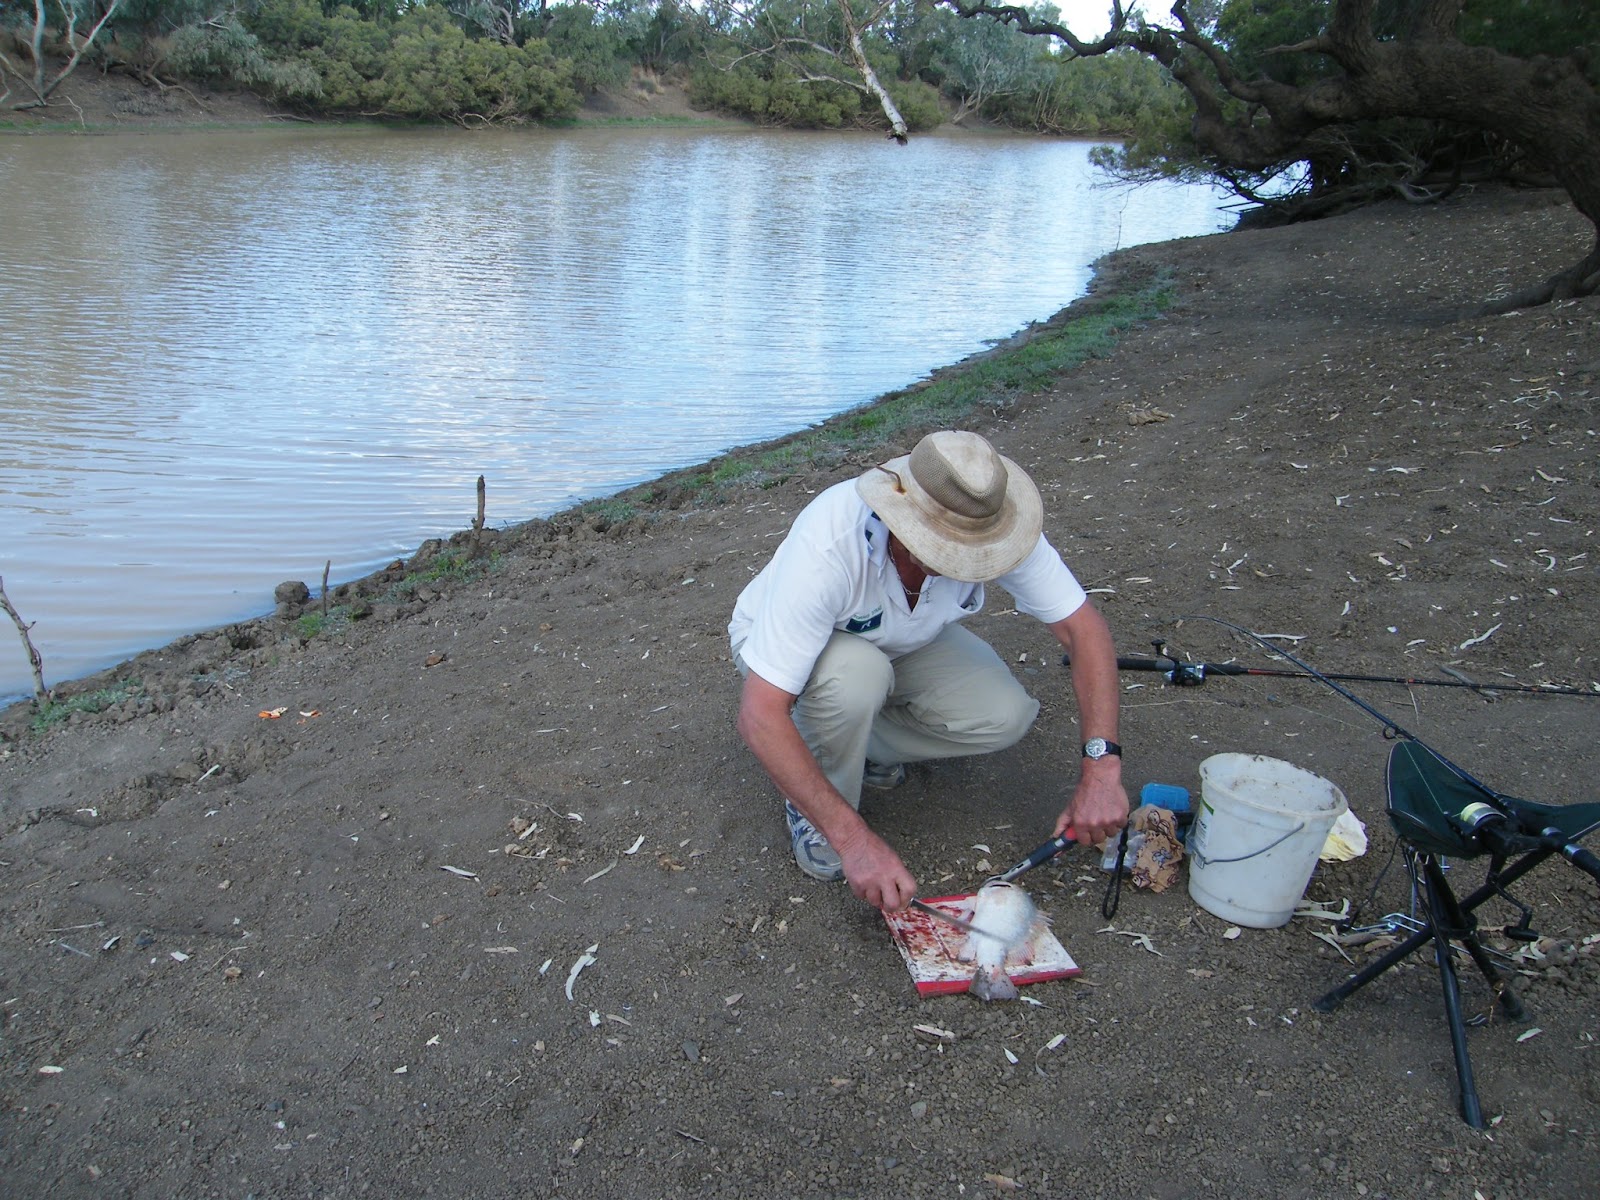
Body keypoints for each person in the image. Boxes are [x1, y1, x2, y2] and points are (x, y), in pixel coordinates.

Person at [728, 429, 1129, 911]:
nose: (967, 562)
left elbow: (1084, 631)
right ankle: (815, 800)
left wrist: (1102, 770)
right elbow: (759, 714)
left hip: (901, 639)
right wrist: (854, 842)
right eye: (948, 550)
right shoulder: (830, 543)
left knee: (1005, 714)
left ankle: (844, 743)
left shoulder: (993, 521)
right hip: (783, 651)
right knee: (856, 677)